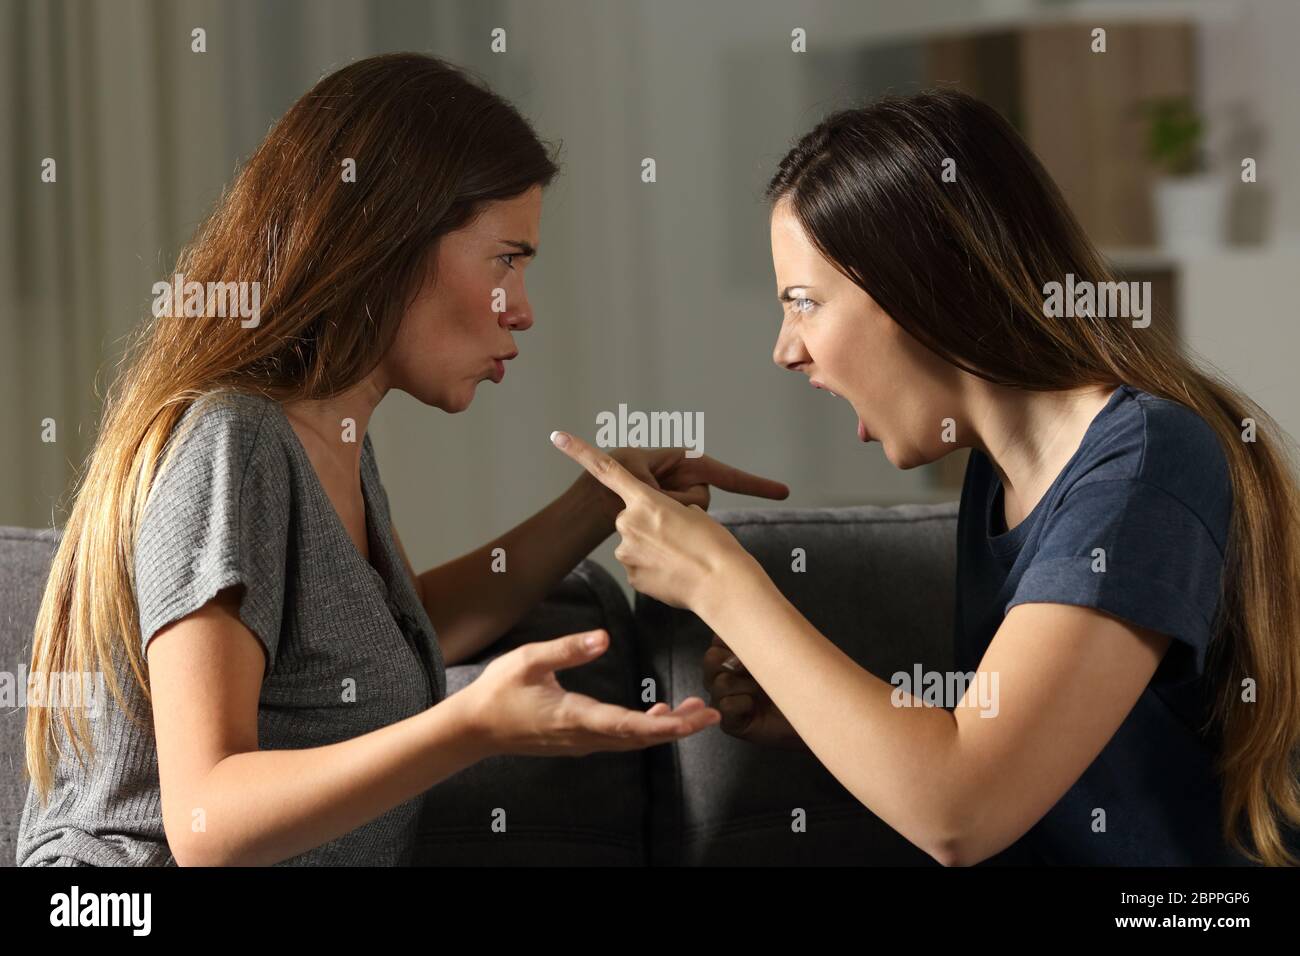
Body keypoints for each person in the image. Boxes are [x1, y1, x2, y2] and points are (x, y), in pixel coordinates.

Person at [18, 52, 788, 867]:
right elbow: (207, 823)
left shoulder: (331, 440)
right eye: (506, 260)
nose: (522, 310)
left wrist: (597, 503)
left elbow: (384, 645)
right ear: (389, 241)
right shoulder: (234, 443)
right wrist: (466, 727)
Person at [551, 89, 1300, 866]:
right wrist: (815, 709)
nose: (787, 350)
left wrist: (717, 579)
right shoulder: (1000, 478)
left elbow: (960, 811)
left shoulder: (1145, 465)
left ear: (924, 284)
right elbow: (1005, 757)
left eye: (804, 303)